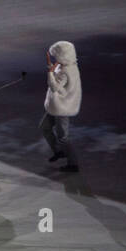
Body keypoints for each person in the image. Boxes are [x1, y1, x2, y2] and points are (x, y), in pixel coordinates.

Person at [41, 40, 81, 172]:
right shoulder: (67, 65)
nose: (54, 58)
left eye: (56, 55)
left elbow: (54, 87)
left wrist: (49, 71)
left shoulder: (66, 70)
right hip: (56, 106)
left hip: (62, 108)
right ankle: (59, 152)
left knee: (63, 137)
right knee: (44, 127)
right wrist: (53, 68)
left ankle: (73, 164)